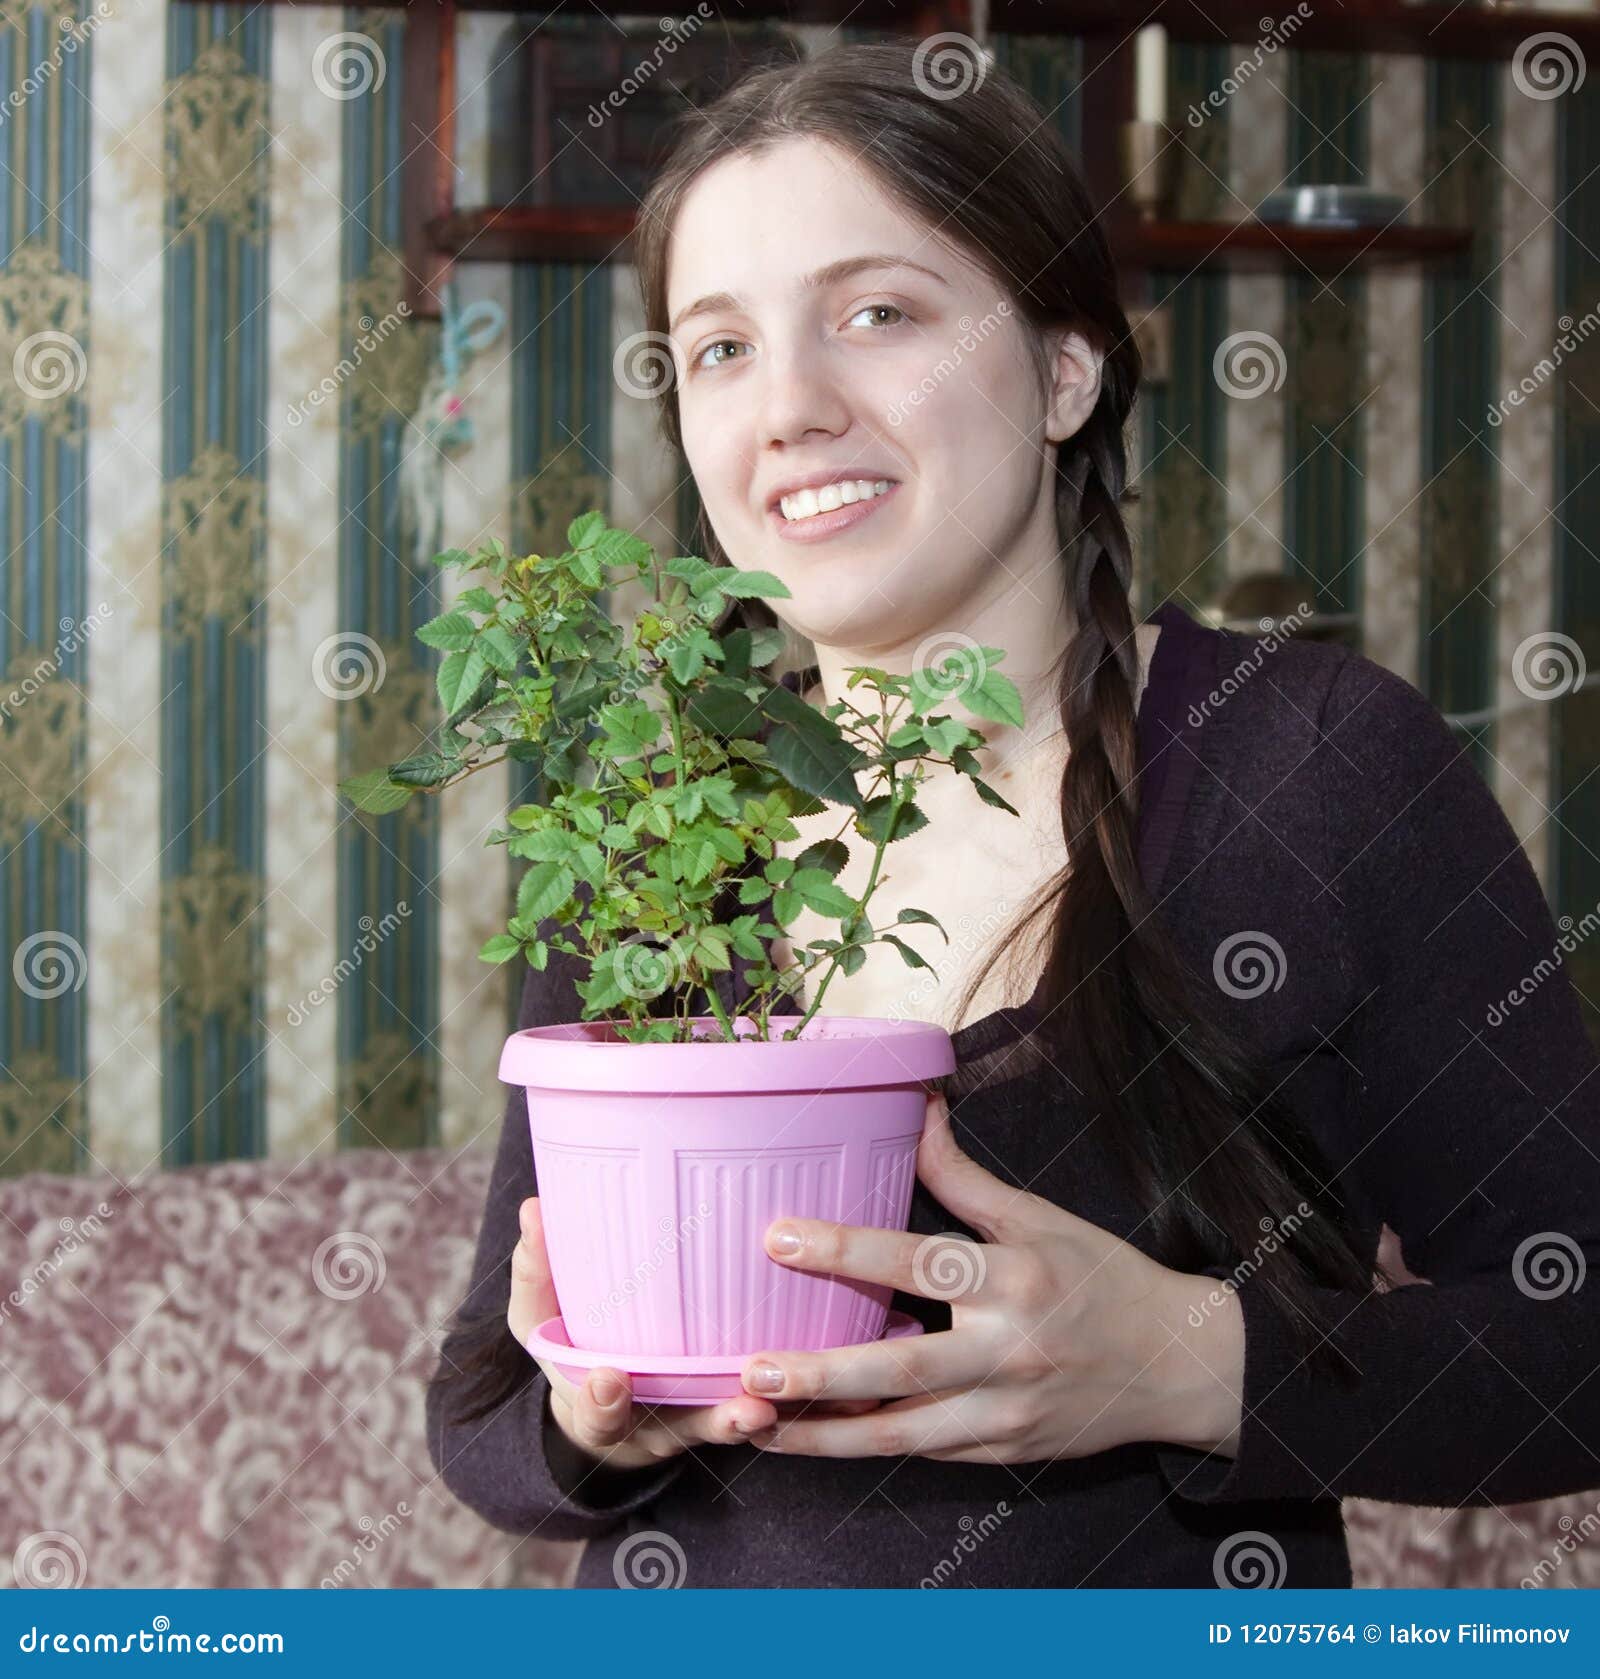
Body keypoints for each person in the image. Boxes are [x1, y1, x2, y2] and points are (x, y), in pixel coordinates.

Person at [426, 38, 1600, 1588]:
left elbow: (1573, 1336)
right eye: (718, 348)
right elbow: (482, 1414)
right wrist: (591, 1419)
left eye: (878, 313)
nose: (789, 408)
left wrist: (1190, 1361)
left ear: (1066, 369)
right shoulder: (650, 826)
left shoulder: (1322, 766)